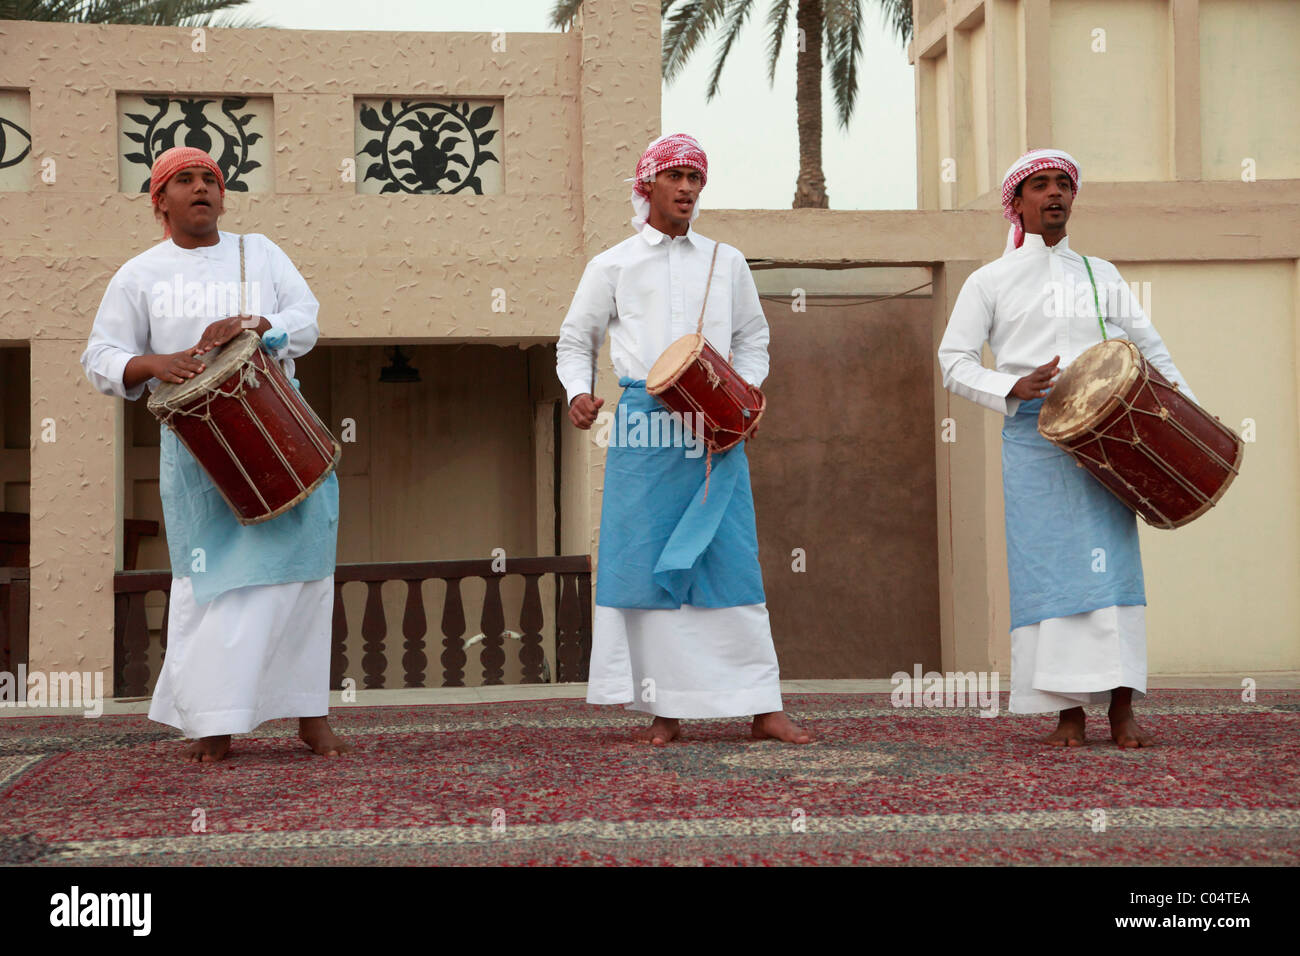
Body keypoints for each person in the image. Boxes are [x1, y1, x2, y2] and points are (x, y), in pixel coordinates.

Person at [81, 146, 350, 762]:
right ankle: (213, 724)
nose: (201, 188)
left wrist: (257, 323)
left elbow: (306, 320)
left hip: (282, 433)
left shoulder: (261, 252)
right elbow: (100, 358)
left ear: (222, 197)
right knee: (213, 588)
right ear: (160, 202)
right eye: (184, 181)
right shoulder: (139, 275)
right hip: (200, 451)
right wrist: (155, 364)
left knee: (302, 582)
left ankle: (310, 717)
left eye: (210, 179)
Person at [938, 148, 1197, 748]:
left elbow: (1151, 349)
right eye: (1041, 186)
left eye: (1063, 185)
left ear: (1072, 199)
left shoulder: (1102, 273)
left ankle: (1122, 710)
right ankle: (1068, 715)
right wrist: (1010, 384)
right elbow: (952, 362)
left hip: (1111, 438)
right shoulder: (989, 280)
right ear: (1018, 203)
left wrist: (1184, 416)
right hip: (1033, 439)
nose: (1054, 194)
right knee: (1050, 573)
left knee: (1113, 573)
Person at [557, 133, 810, 746]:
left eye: (697, 179)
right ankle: (663, 710)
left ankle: (763, 708)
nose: (689, 188)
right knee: (646, 565)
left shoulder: (727, 261)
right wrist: (577, 393)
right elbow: (575, 339)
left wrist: (742, 393)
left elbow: (754, 337)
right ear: (647, 187)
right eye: (677, 177)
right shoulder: (611, 264)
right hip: (643, 431)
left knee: (730, 562)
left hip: (715, 431)